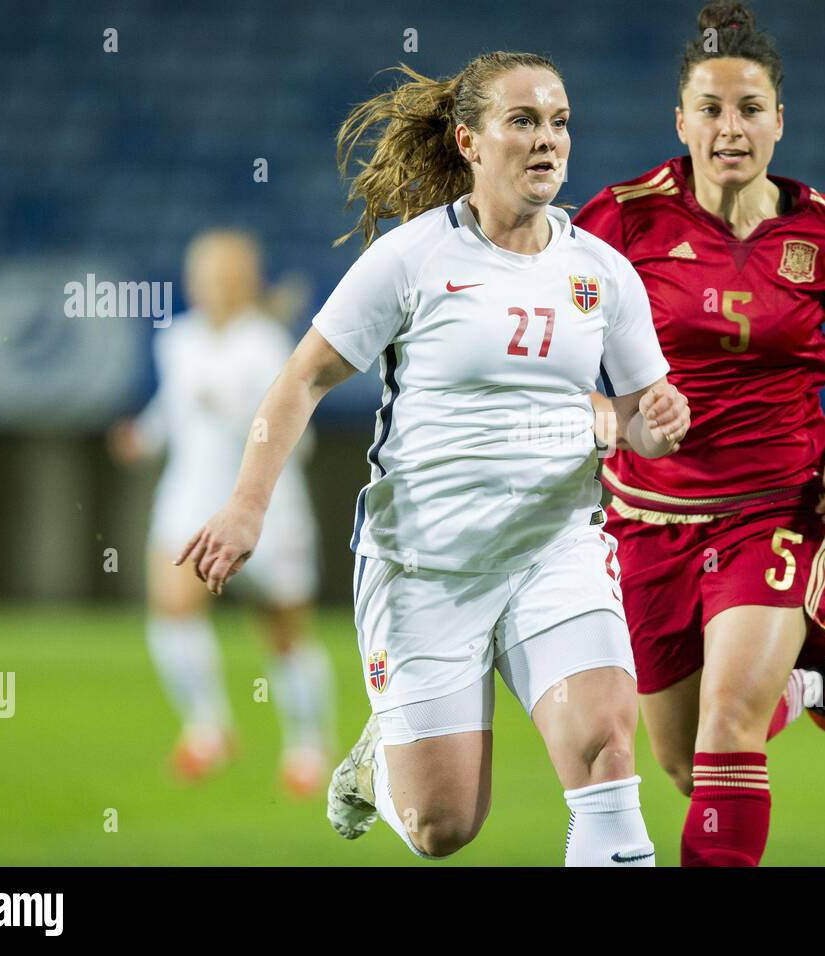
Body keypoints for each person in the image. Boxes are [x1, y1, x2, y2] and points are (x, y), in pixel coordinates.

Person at [177, 52, 691, 866]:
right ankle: (381, 760)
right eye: (522, 121)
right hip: (425, 566)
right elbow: (302, 377)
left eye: (559, 121)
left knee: (604, 744)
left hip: (554, 547)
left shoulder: (602, 272)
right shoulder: (415, 259)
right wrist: (247, 504)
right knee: (441, 826)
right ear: (470, 143)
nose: (548, 139)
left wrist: (658, 421)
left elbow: (642, 419)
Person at [578, 0, 825, 866]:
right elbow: (558, 347)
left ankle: (782, 668)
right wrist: (606, 414)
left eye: (749, 109)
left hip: (778, 505)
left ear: (779, 120)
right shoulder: (621, 222)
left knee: (728, 729)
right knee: (686, 762)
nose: (730, 127)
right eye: (711, 109)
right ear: (681, 121)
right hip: (647, 514)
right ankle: (804, 679)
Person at [109, 228, 336, 799]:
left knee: (282, 632)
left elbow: (297, 436)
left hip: (266, 508)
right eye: (204, 274)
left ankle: (309, 746)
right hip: (188, 499)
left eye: (225, 274)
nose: (213, 285)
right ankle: (208, 729)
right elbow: (174, 407)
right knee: (171, 607)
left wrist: (234, 411)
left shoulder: (268, 346)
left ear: (246, 280)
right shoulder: (178, 340)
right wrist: (146, 434)